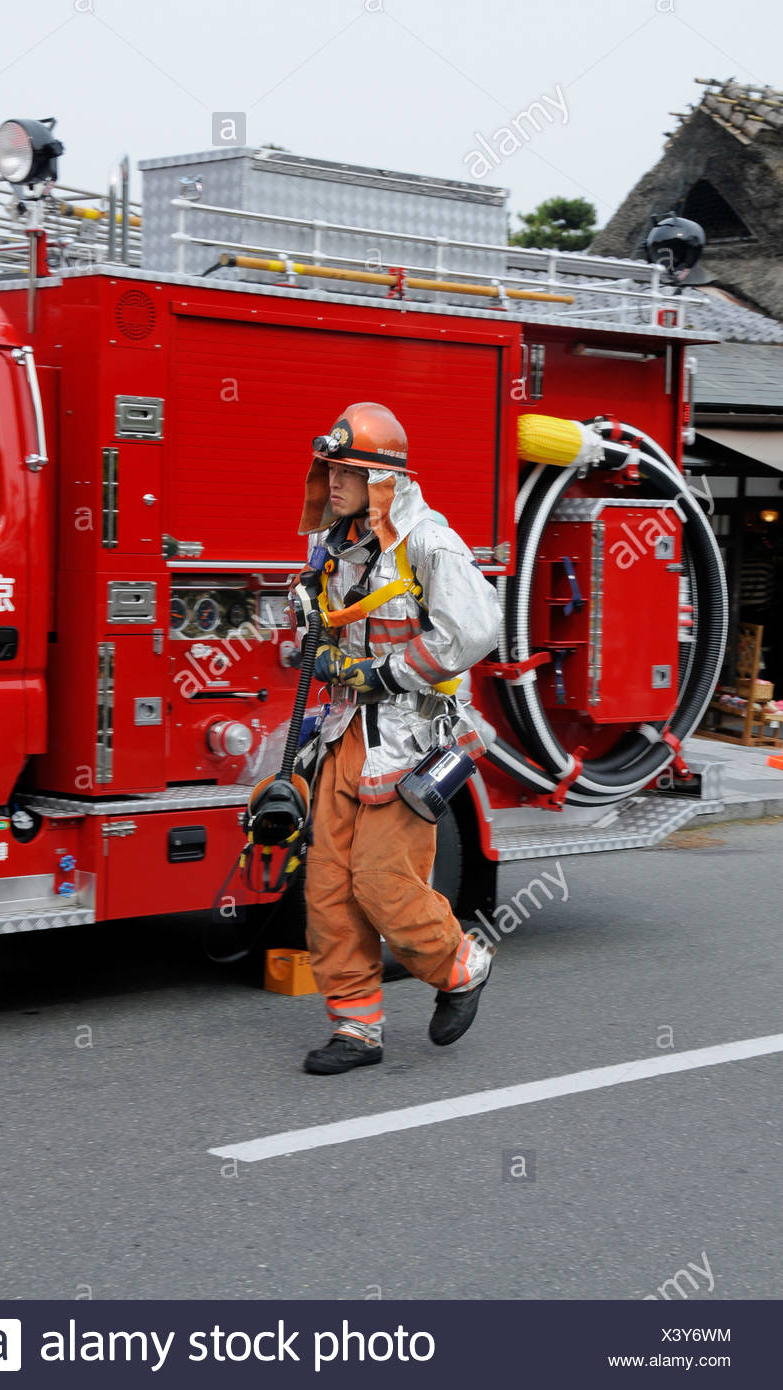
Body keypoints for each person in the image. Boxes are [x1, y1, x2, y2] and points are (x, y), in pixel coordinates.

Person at [296, 402, 503, 1075]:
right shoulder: (337, 543)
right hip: (344, 730)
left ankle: (461, 965)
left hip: (407, 741)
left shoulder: (429, 543)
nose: (333, 483)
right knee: (328, 888)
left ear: (382, 479)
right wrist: (310, 625)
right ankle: (356, 1029)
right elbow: (322, 619)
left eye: (347, 471)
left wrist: (381, 671)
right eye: (330, 469)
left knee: (382, 884)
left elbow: (472, 633)